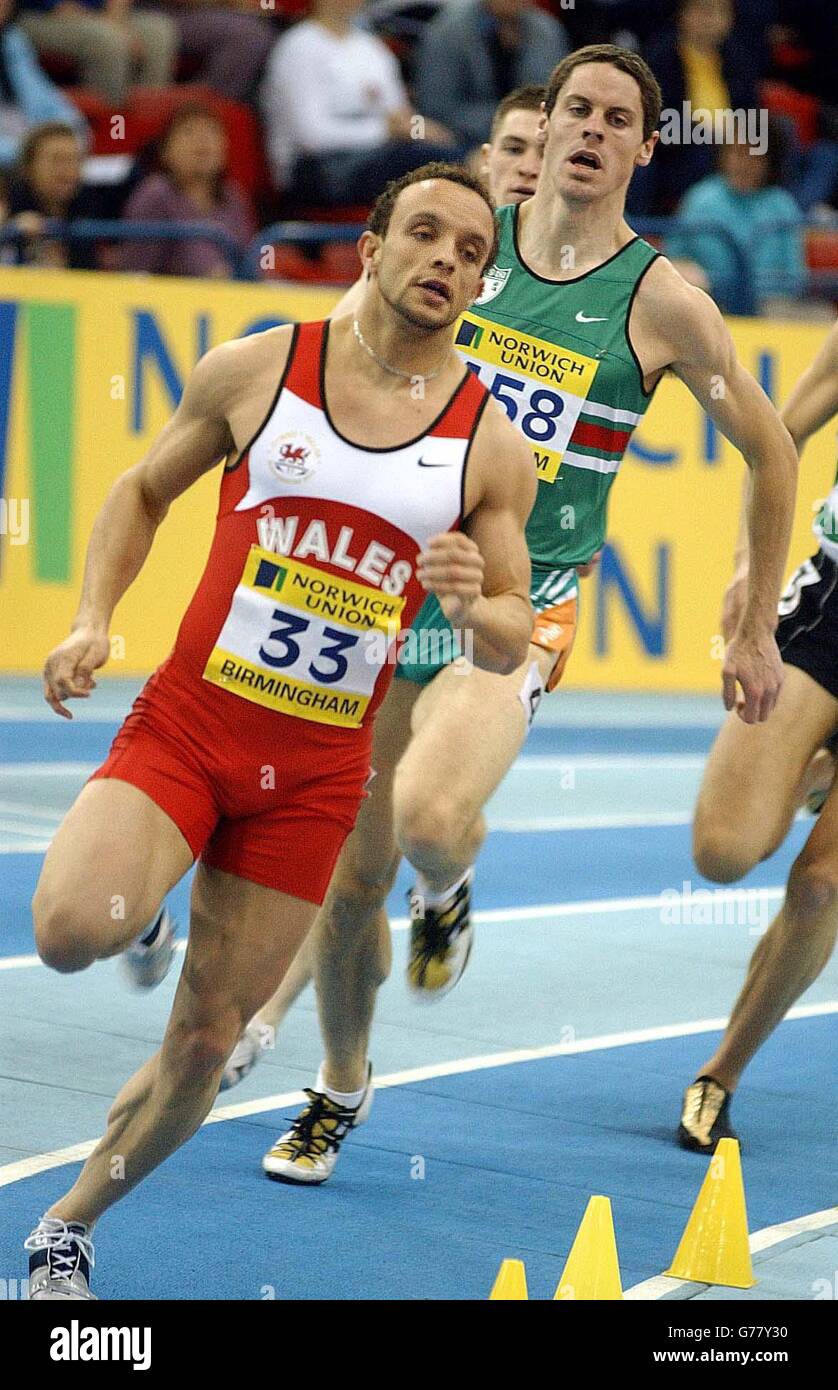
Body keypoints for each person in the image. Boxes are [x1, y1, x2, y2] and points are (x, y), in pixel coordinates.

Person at [221, 45, 798, 1189]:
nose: (587, 129)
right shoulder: (460, 244)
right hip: (394, 591)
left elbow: (772, 454)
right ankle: (339, 1088)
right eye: (572, 107)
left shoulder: (662, 304)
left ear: (642, 148)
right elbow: (340, 354)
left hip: (518, 605)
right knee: (349, 873)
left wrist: (750, 620)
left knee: (433, 815)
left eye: (614, 117)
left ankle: (447, 885)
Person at [22, 162, 537, 1299]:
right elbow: (142, 490)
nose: (446, 259)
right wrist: (93, 619)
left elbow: (511, 637)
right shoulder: (262, 369)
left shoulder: (486, 447)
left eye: (468, 249)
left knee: (209, 1040)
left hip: (310, 777)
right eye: (425, 235)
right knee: (68, 931)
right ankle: (142, 894)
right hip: (192, 726)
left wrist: (472, 604)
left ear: (481, 281)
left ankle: (69, 1225)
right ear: (369, 247)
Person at [680, 319, 838, 1153]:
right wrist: (754, 570)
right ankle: (812, 773)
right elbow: (777, 434)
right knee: (723, 851)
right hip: (830, 610)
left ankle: (720, 1073)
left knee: (821, 885)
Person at [260, 0, 461, 201]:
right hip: (314, 169)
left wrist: (423, 129)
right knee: (424, 162)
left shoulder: (371, 47)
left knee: (447, 150)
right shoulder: (298, 47)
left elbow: (401, 116)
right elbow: (312, 138)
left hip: (379, 157)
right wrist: (384, 130)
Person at [665, 120, 806, 312]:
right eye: (738, 152)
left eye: (754, 155)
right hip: (707, 305)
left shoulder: (782, 205)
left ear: (769, 160)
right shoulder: (699, 198)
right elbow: (673, 261)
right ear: (724, 155)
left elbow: (794, 276)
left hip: (770, 308)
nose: (745, 163)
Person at [119, 103, 255, 279]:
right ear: (165, 150)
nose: (203, 140)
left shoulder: (234, 197)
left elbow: (250, 262)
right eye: (189, 131)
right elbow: (136, 274)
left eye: (212, 131)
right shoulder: (155, 195)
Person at [414, 0, 567, 150]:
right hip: (464, 141)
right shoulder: (447, 31)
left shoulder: (547, 30)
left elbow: (552, 96)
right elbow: (438, 107)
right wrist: (508, 122)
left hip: (534, 136)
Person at [18, 0, 177, 109]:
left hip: (102, 14)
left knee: (157, 33)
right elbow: (61, 8)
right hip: (41, 15)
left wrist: (116, 21)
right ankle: (113, 127)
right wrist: (113, 27)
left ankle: (147, 121)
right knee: (107, 41)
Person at [0, 0, 87, 168]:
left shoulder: (12, 40)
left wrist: (70, 136)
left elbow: (46, 100)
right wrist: (34, 151)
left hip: (30, 153)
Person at [4, 120, 97, 267]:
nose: (69, 170)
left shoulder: (88, 207)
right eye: (57, 160)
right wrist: (11, 228)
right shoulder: (8, 207)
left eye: (74, 160)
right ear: (29, 167)